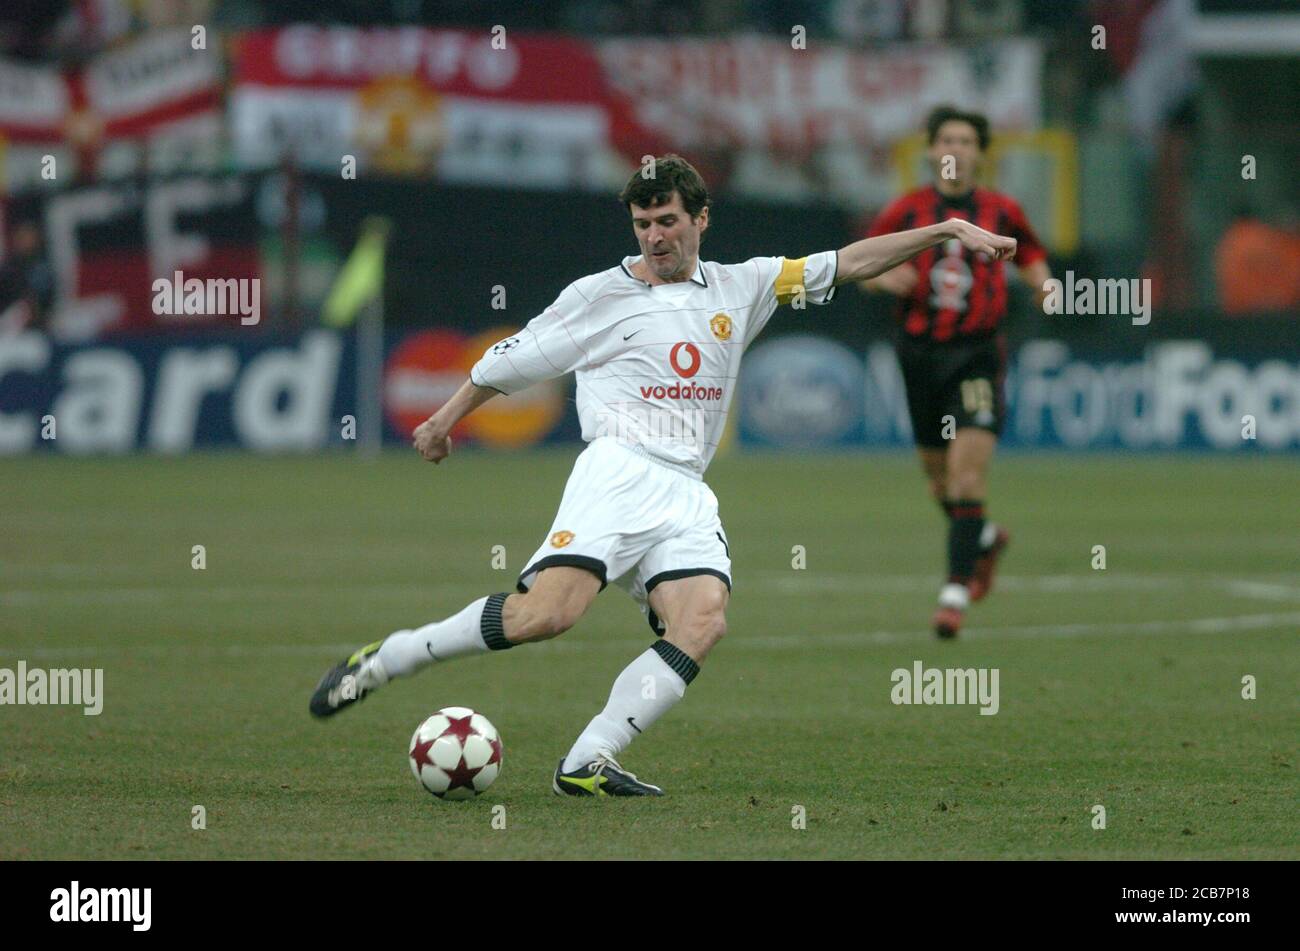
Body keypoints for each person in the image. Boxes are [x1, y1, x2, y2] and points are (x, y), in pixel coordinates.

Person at [309, 154, 1017, 795]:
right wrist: (443, 419)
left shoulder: (747, 285)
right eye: (643, 222)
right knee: (545, 615)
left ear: (700, 219)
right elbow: (511, 359)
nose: (655, 235)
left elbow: (851, 261)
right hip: (616, 472)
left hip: (685, 489)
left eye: (668, 220)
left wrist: (947, 228)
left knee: (702, 619)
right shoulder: (597, 295)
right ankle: (386, 659)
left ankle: (589, 758)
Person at [859, 107, 1051, 639]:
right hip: (919, 357)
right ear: (930, 150)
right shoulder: (906, 210)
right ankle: (983, 539)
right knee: (939, 480)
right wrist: (881, 280)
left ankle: (953, 593)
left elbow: (1031, 253)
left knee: (968, 476)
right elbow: (863, 265)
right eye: (946, 139)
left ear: (979, 153)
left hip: (976, 356)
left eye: (966, 140)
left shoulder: (1000, 209)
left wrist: (1044, 283)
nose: (955, 149)